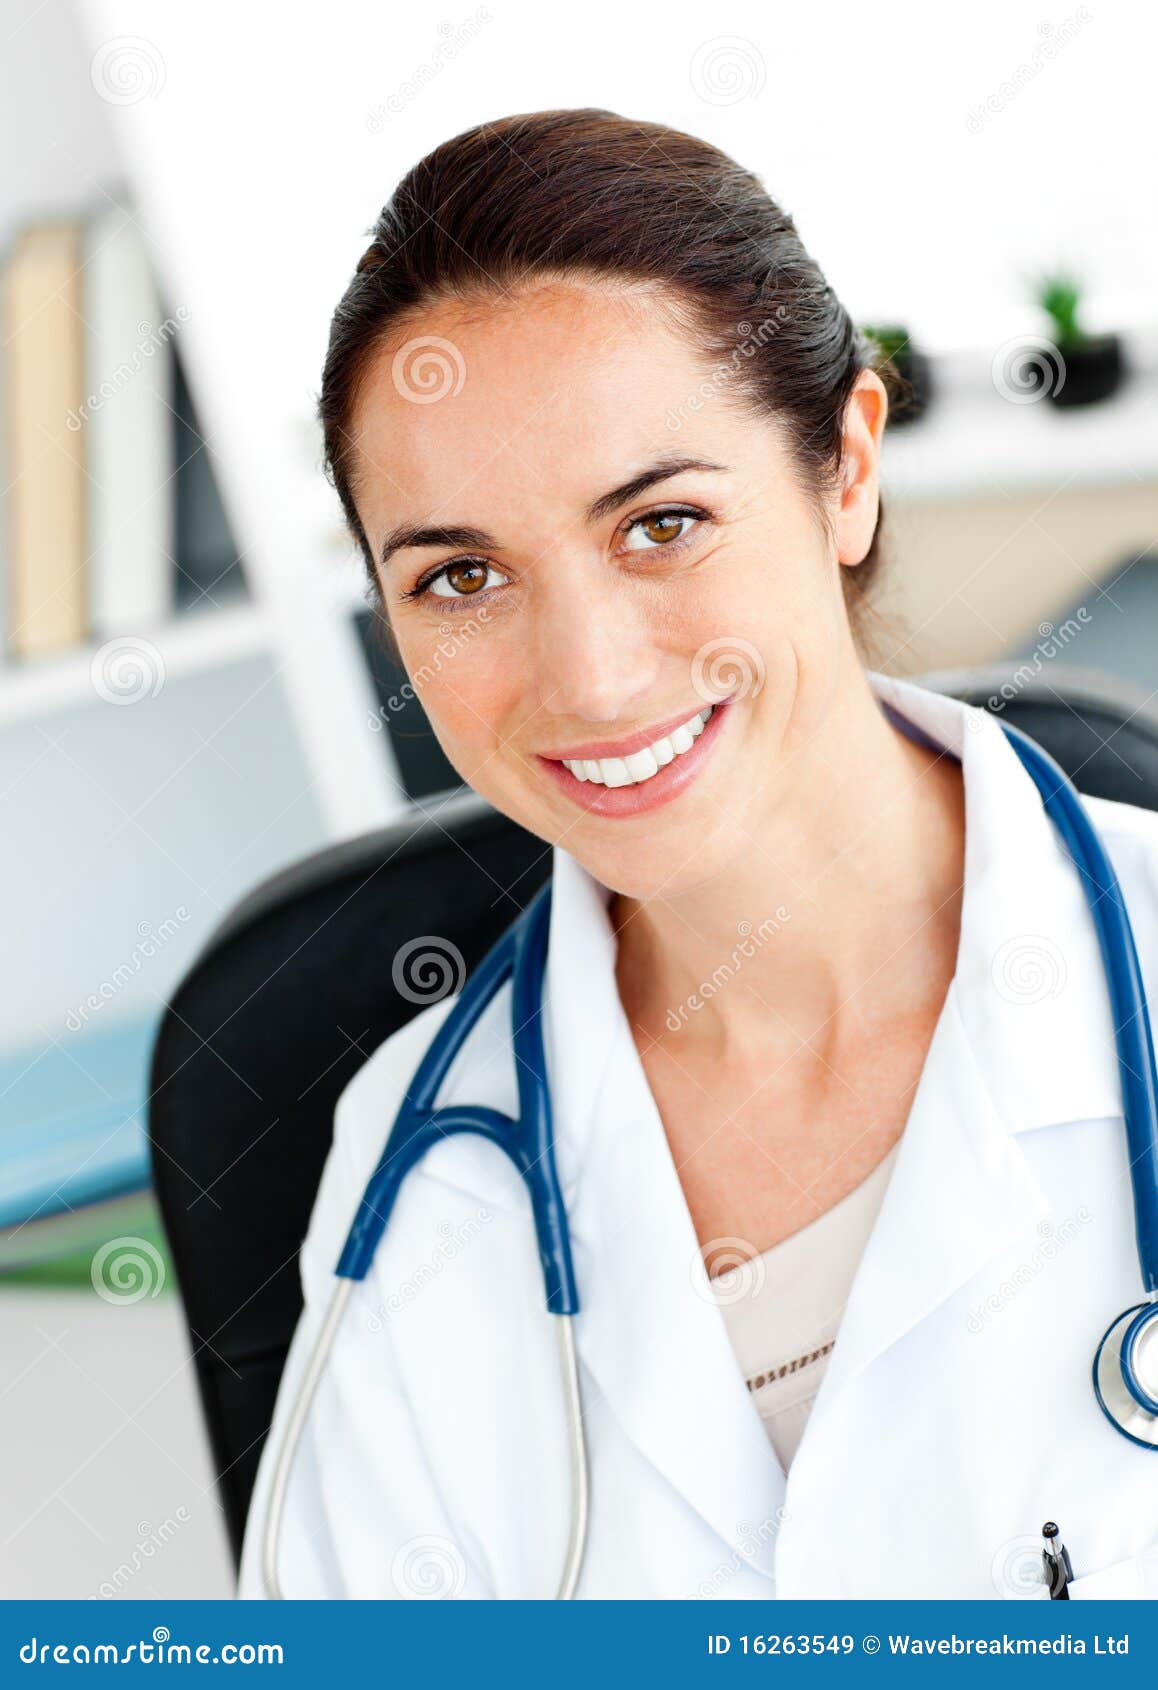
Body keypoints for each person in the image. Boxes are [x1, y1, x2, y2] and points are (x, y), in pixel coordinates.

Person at [238, 108, 1158, 1600]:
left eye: (661, 523)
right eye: (461, 575)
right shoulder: (417, 1174)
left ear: (846, 470)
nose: (589, 678)